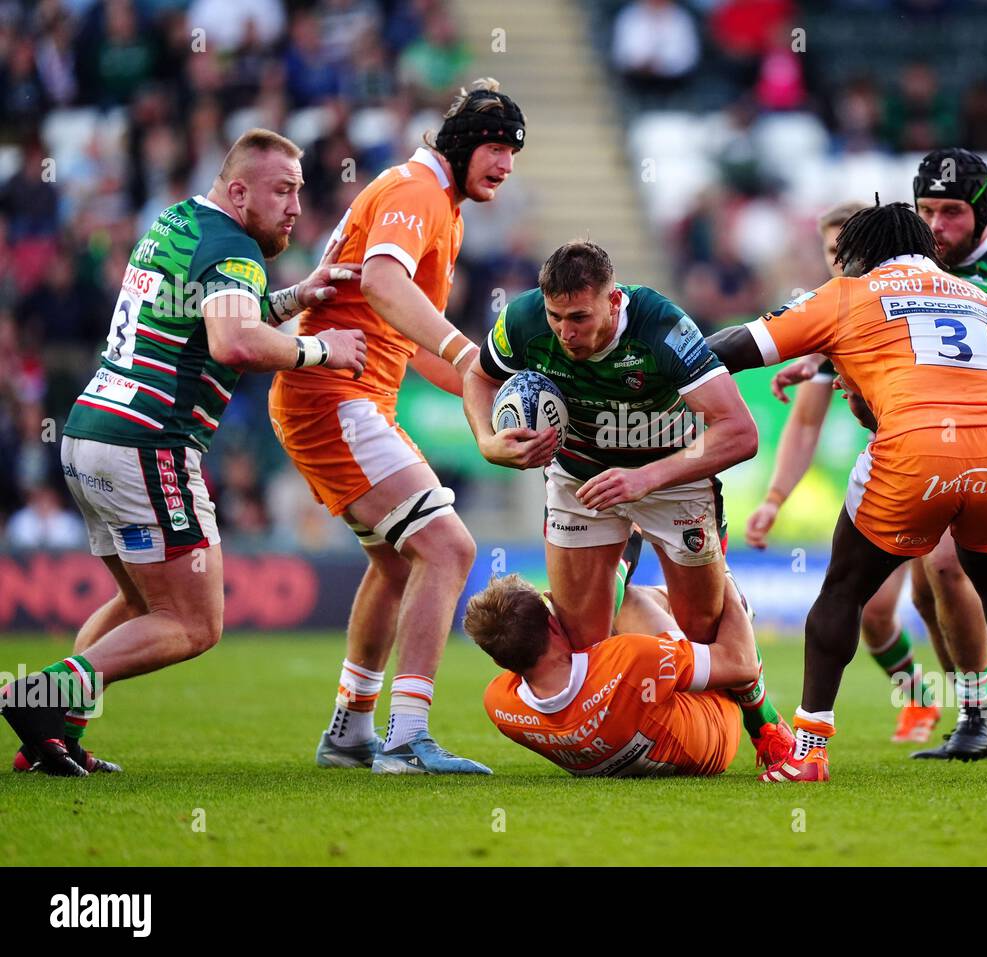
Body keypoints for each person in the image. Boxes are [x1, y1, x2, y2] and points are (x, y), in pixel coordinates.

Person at [2, 129, 367, 776]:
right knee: (195, 622)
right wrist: (320, 348)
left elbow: (215, 317)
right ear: (237, 191)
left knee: (143, 608)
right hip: (150, 442)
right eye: (282, 190)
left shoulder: (177, 222)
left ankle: (51, 739)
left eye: (299, 192)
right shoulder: (235, 249)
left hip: (92, 433)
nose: (294, 207)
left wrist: (292, 298)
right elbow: (234, 342)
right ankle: (38, 695)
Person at [709, 202, 987, 783]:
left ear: (858, 254)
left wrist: (664, 358)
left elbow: (738, 346)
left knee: (844, 590)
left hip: (915, 452)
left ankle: (808, 751)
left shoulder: (847, 293)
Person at [269, 78, 524, 776]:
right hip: (335, 395)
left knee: (396, 563)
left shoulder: (434, 199)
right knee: (446, 548)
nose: (505, 164)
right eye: (497, 148)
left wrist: (488, 395)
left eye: (513, 152)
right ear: (465, 145)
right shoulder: (418, 192)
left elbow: (408, 338)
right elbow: (383, 285)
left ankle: (350, 730)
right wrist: (469, 354)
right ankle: (407, 737)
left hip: (348, 397)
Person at [463, 240, 793, 765]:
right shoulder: (523, 319)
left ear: (614, 302)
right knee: (583, 639)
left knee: (703, 628)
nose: (566, 333)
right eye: (556, 317)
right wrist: (488, 442)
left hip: (672, 479)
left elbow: (738, 432)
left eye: (579, 317)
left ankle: (763, 722)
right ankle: (640, 724)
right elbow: (479, 377)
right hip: (579, 478)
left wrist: (646, 479)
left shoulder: (662, 328)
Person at [744, 201, 942, 745]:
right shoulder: (836, 313)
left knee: (950, 588)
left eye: (845, 251)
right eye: (831, 252)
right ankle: (928, 699)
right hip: (906, 469)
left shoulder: (901, 301)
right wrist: (774, 499)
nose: (840, 262)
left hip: (941, 459)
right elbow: (805, 425)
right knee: (880, 611)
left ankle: (984, 710)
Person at [470, 570, 756, 778]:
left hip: (637, 753)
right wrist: (723, 576)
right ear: (554, 625)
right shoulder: (630, 656)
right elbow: (742, 667)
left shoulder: (499, 704)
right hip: (715, 734)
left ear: (500, 662)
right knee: (632, 599)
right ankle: (734, 596)